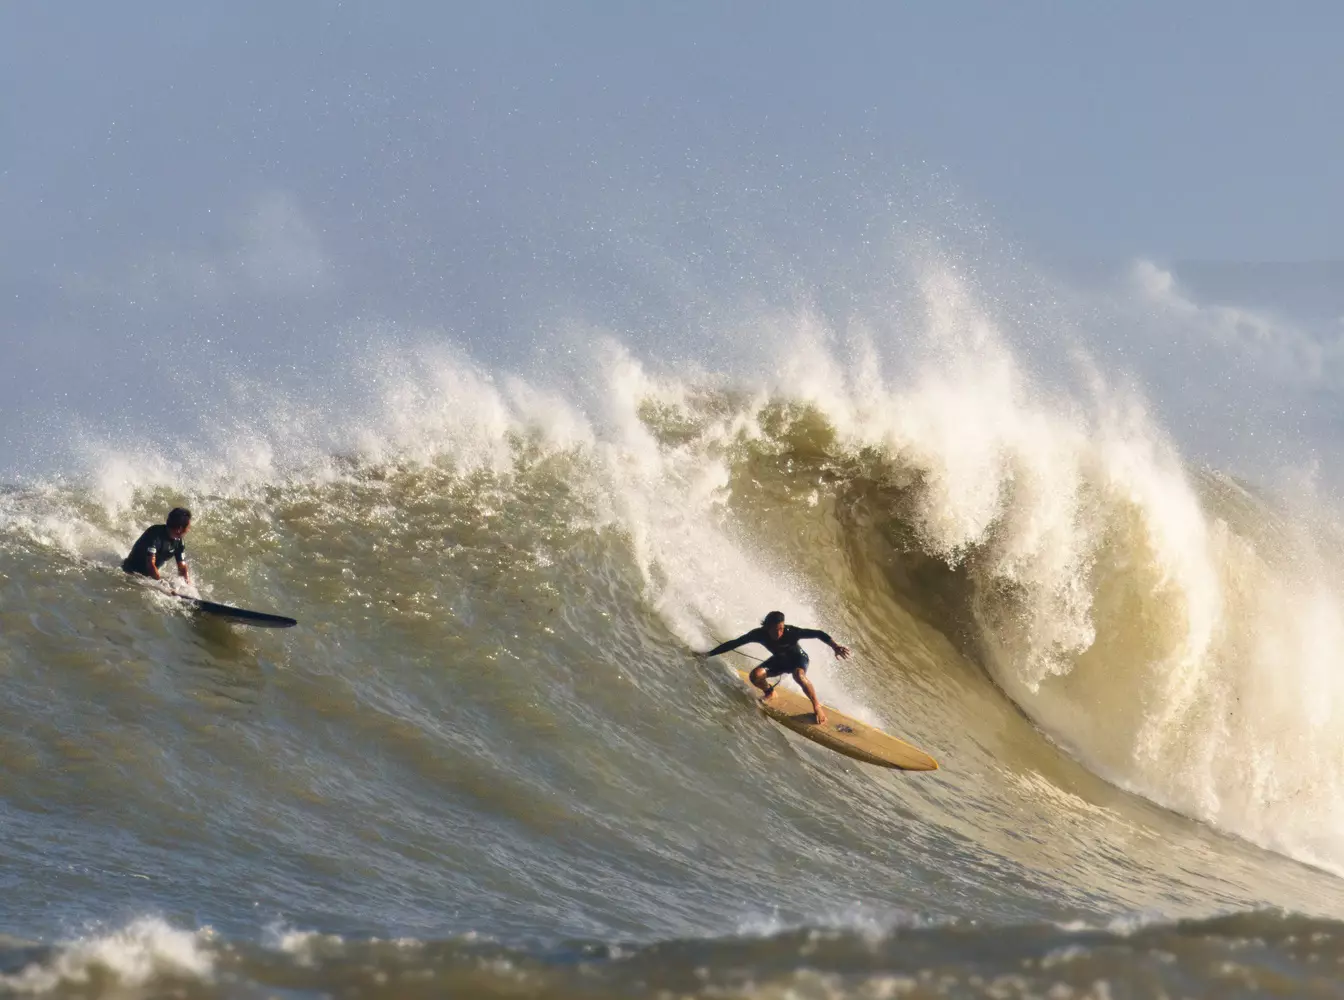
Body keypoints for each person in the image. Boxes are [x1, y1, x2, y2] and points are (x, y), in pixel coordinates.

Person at [698, 611, 851, 725]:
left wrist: (835, 646)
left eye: (781, 628)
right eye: (775, 629)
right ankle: (770, 692)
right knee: (755, 676)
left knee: (798, 675)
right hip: (779, 661)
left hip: (799, 660)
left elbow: (818, 634)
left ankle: (817, 706)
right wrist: (708, 654)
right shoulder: (758, 634)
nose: (779, 633)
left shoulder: (791, 632)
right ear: (766, 627)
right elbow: (734, 643)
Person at [122, 507, 192, 586]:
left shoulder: (179, 541)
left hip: (150, 577)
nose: (189, 529)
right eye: (188, 527)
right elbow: (150, 564)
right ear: (179, 529)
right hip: (131, 574)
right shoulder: (154, 535)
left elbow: (182, 567)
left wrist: (187, 586)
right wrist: (163, 585)